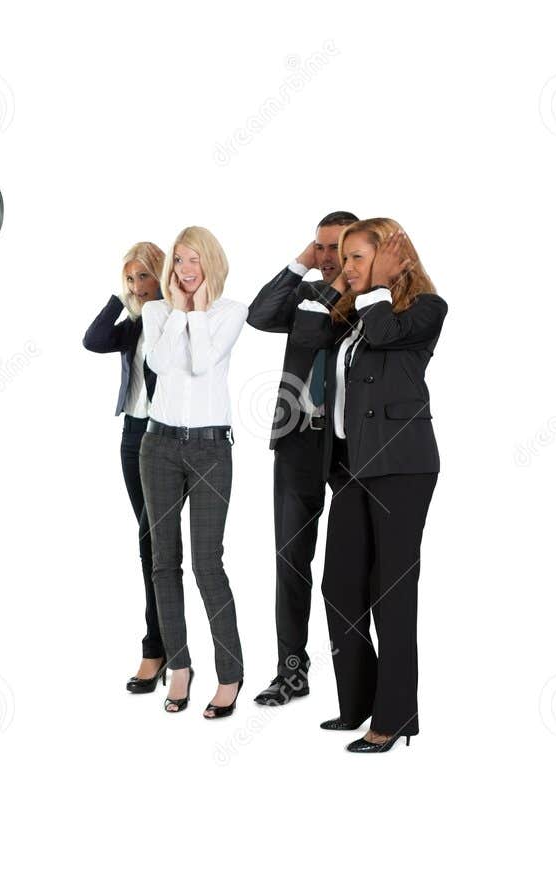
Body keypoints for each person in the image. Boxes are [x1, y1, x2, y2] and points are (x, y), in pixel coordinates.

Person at [289, 218, 446, 753]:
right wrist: (340, 287)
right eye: (346, 257)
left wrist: (377, 286)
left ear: (391, 260)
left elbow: (386, 335)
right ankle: (358, 702)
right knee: (340, 586)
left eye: (358, 257)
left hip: (402, 468)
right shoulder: (351, 316)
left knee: (393, 592)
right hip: (353, 469)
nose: (346, 266)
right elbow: (301, 332)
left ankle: (396, 715)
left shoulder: (424, 310)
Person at [245, 211, 358, 707]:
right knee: (291, 561)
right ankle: (291, 672)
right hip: (297, 439)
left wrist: (341, 285)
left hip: (352, 445)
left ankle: (356, 681)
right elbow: (259, 314)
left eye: (337, 247)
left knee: (354, 566)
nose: (328, 257)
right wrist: (302, 263)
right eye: (322, 247)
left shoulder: (372, 300)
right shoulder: (306, 295)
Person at [137, 226, 247, 719]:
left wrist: (198, 313)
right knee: (164, 562)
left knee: (207, 563)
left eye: (194, 259)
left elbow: (203, 365)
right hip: (158, 445)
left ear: (211, 263)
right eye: (179, 259)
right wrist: (181, 312)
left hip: (208, 449)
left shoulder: (230, 312)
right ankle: (178, 666)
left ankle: (230, 673)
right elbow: (159, 364)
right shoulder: (157, 311)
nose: (185, 268)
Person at [83, 243, 168, 694]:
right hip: (133, 433)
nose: (138, 286)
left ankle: (161, 648)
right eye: (131, 278)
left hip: (168, 436)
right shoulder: (132, 325)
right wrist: (121, 299)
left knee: (159, 543)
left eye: (143, 277)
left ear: (162, 275)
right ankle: (159, 646)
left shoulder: (174, 321)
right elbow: (93, 339)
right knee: (148, 541)